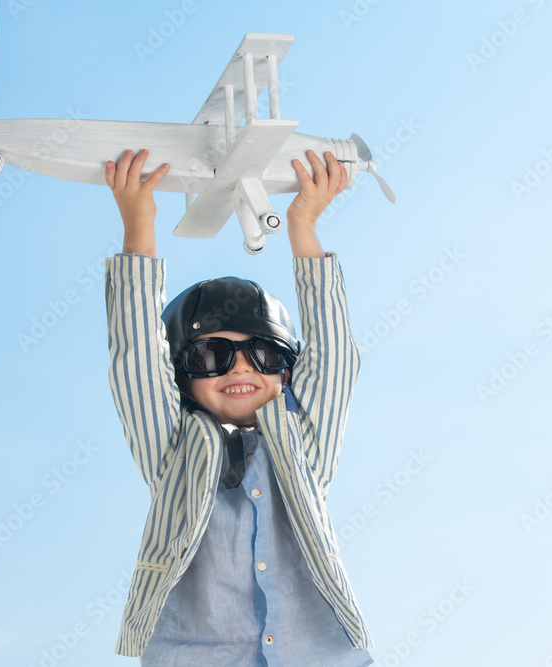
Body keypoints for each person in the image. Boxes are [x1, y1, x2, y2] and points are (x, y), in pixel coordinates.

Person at [104, 147, 373, 665]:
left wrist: (303, 225)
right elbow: (136, 361)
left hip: (317, 653)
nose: (242, 369)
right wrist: (139, 224)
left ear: (286, 372)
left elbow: (336, 357)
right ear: (181, 379)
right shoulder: (174, 451)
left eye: (264, 354)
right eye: (212, 356)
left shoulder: (304, 446)